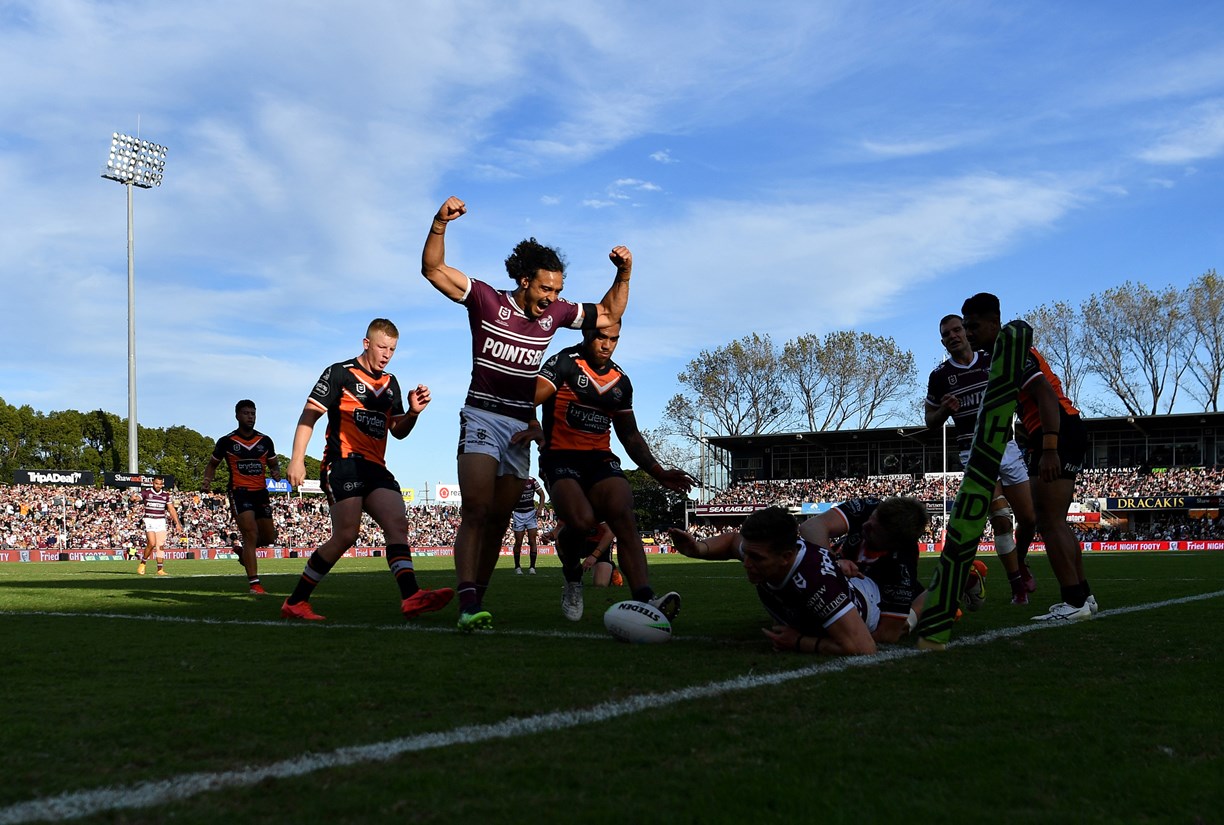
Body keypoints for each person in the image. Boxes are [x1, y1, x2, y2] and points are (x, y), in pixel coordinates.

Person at [421, 195, 632, 632]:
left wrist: (623, 273)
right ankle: (466, 602)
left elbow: (609, 313)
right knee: (476, 509)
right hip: (481, 416)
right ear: (524, 281)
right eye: (545, 289)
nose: (552, 298)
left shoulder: (556, 314)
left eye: (557, 291)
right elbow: (433, 269)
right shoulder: (485, 299)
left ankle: (477, 600)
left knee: (499, 520)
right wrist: (440, 224)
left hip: (520, 426)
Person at [281, 318, 454, 621]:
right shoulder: (340, 373)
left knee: (397, 523)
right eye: (382, 347)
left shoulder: (391, 383)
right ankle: (296, 602)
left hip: (375, 466)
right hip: (343, 462)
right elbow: (310, 414)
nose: (387, 354)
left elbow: (398, 431)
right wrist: (297, 458)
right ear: (366, 344)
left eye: (392, 349)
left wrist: (413, 413)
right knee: (346, 534)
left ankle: (411, 596)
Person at [534, 322, 693, 622]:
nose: (607, 345)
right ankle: (572, 576)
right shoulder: (564, 363)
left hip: (600, 459)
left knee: (623, 515)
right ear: (586, 335)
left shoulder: (621, 382)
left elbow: (630, 435)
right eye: (601, 337)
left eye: (613, 339)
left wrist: (658, 471)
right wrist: (532, 425)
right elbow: (526, 396)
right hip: (560, 456)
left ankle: (646, 600)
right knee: (581, 522)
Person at [960, 293, 1096, 621]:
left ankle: (1074, 602)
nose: (969, 333)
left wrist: (1049, 447)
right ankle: (1084, 596)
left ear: (994, 323)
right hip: (1056, 431)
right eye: (966, 327)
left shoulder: (1012, 350)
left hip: (1057, 431)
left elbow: (1045, 395)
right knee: (1054, 520)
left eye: (974, 326)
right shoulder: (1003, 352)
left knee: (1049, 521)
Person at [926, 313, 1040, 604]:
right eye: (946, 334)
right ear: (943, 341)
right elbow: (930, 421)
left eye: (956, 330)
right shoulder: (939, 376)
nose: (952, 336)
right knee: (1001, 518)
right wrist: (944, 411)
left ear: (966, 332)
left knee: (1028, 519)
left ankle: (1020, 561)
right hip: (974, 453)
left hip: (1007, 447)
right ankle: (1017, 587)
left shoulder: (992, 359)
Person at [668, 507, 878, 655]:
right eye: (746, 554)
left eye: (756, 558)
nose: (746, 564)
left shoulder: (816, 582)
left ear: (786, 557)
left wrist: (798, 642)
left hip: (865, 604)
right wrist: (699, 549)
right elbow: (732, 540)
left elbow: (863, 646)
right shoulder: (767, 551)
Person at [798, 495, 933, 643]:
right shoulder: (869, 506)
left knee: (906, 621)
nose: (865, 525)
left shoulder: (902, 564)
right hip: (844, 567)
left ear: (892, 543)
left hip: (877, 593)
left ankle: (925, 606)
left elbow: (887, 634)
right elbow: (811, 527)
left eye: (873, 530)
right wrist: (833, 563)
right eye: (871, 518)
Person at [201, 400, 281, 594]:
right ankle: (255, 584)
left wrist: (276, 472)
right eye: (246, 413)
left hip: (261, 492)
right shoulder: (227, 441)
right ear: (237, 415)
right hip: (239, 492)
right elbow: (212, 464)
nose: (250, 417)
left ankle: (244, 552)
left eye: (253, 413)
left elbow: (273, 463)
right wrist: (207, 480)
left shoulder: (265, 441)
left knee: (269, 537)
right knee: (250, 534)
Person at [131, 476, 182, 576]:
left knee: (160, 545)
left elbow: (171, 509)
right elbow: (137, 498)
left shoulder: (165, 495)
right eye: (156, 483)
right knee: (152, 543)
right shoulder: (146, 492)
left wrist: (177, 523)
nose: (158, 486)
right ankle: (143, 563)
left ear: (162, 484)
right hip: (149, 519)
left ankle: (160, 569)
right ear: (153, 483)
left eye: (160, 484)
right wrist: (133, 499)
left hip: (161, 521)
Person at [511, 475, 546, 574]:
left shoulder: (532, 481)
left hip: (531, 513)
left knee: (532, 540)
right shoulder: (513, 481)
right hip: (518, 513)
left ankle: (532, 567)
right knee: (518, 542)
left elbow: (542, 494)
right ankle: (517, 567)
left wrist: (540, 508)